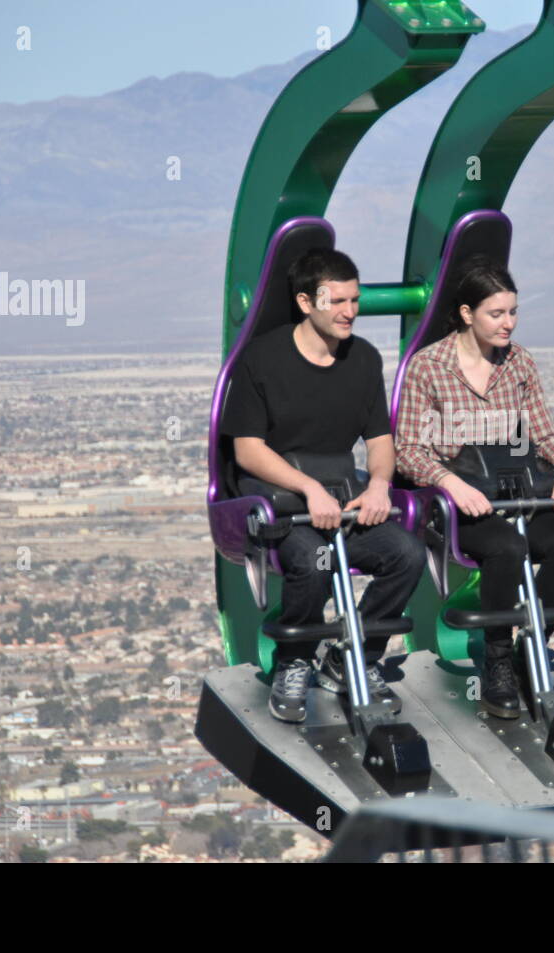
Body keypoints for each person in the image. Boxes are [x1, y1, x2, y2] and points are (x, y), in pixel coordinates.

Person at [221, 247, 427, 724]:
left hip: (343, 494)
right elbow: (248, 451)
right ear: (305, 302)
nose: (350, 312)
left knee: (407, 554)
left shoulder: (363, 360)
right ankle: (294, 661)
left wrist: (378, 485)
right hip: (277, 500)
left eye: (354, 300)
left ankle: (356, 657)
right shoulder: (261, 360)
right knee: (313, 563)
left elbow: (379, 440)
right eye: (336, 302)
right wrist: (308, 490)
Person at [394, 254, 554, 719]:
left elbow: (543, 430)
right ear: (467, 314)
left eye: (513, 312)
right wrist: (449, 482)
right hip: (461, 501)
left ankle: (532, 643)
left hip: (516, 488)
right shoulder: (428, 367)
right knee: (505, 550)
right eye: (496, 314)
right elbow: (408, 449)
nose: (508, 324)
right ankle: (497, 657)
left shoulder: (519, 364)